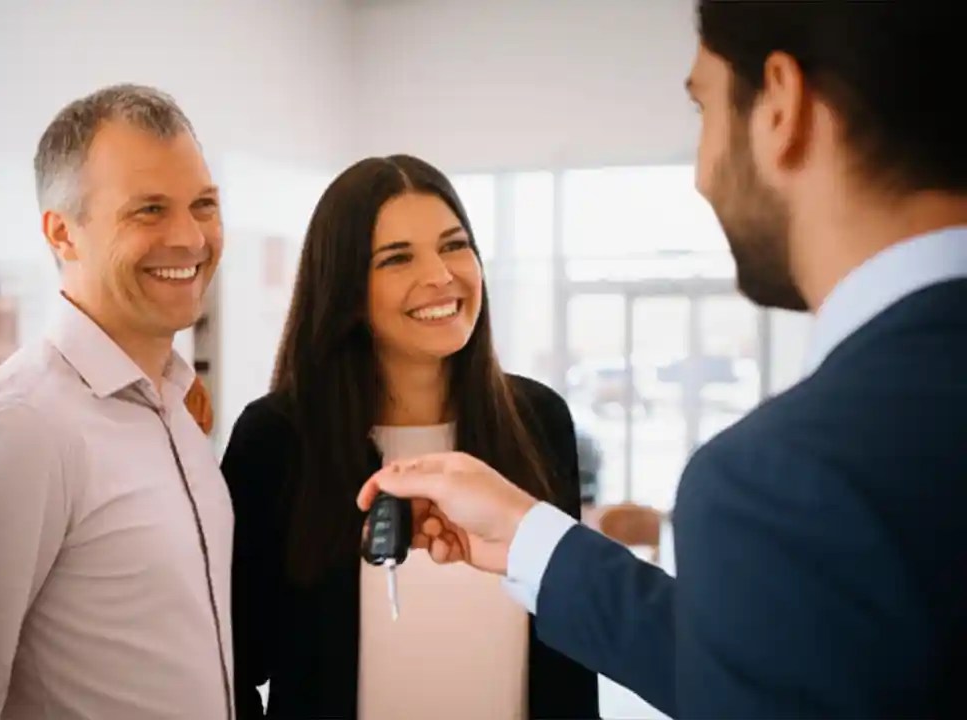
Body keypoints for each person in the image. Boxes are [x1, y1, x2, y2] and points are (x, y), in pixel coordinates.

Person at [359, 2, 967, 718]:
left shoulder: (785, 483)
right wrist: (533, 537)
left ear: (782, 104)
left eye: (703, 108)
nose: (702, 175)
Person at [221, 155, 598, 720]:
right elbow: (233, 668)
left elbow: (570, 650)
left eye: (453, 245)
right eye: (397, 258)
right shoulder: (277, 439)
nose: (441, 276)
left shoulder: (538, 419)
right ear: (345, 287)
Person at [0, 84, 233, 720]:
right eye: (149, 210)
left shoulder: (174, 404)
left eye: (203, 205)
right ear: (62, 233)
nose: (190, 237)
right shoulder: (19, 430)